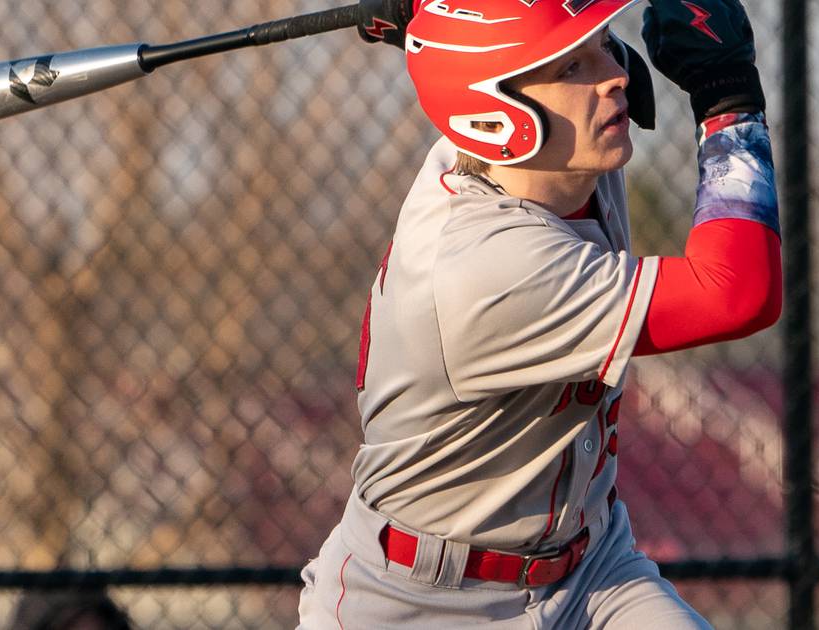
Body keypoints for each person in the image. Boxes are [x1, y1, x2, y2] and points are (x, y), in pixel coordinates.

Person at [300, 0, 779, 627]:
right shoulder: (485, 264)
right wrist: (726, 94)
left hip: (592, 568)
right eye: (572, 65)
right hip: (422, 601)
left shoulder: (551, 161)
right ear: (496, 114)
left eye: (604, 45)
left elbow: (488, 59)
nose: (614, 75)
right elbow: (735, 292)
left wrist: (433, 18)